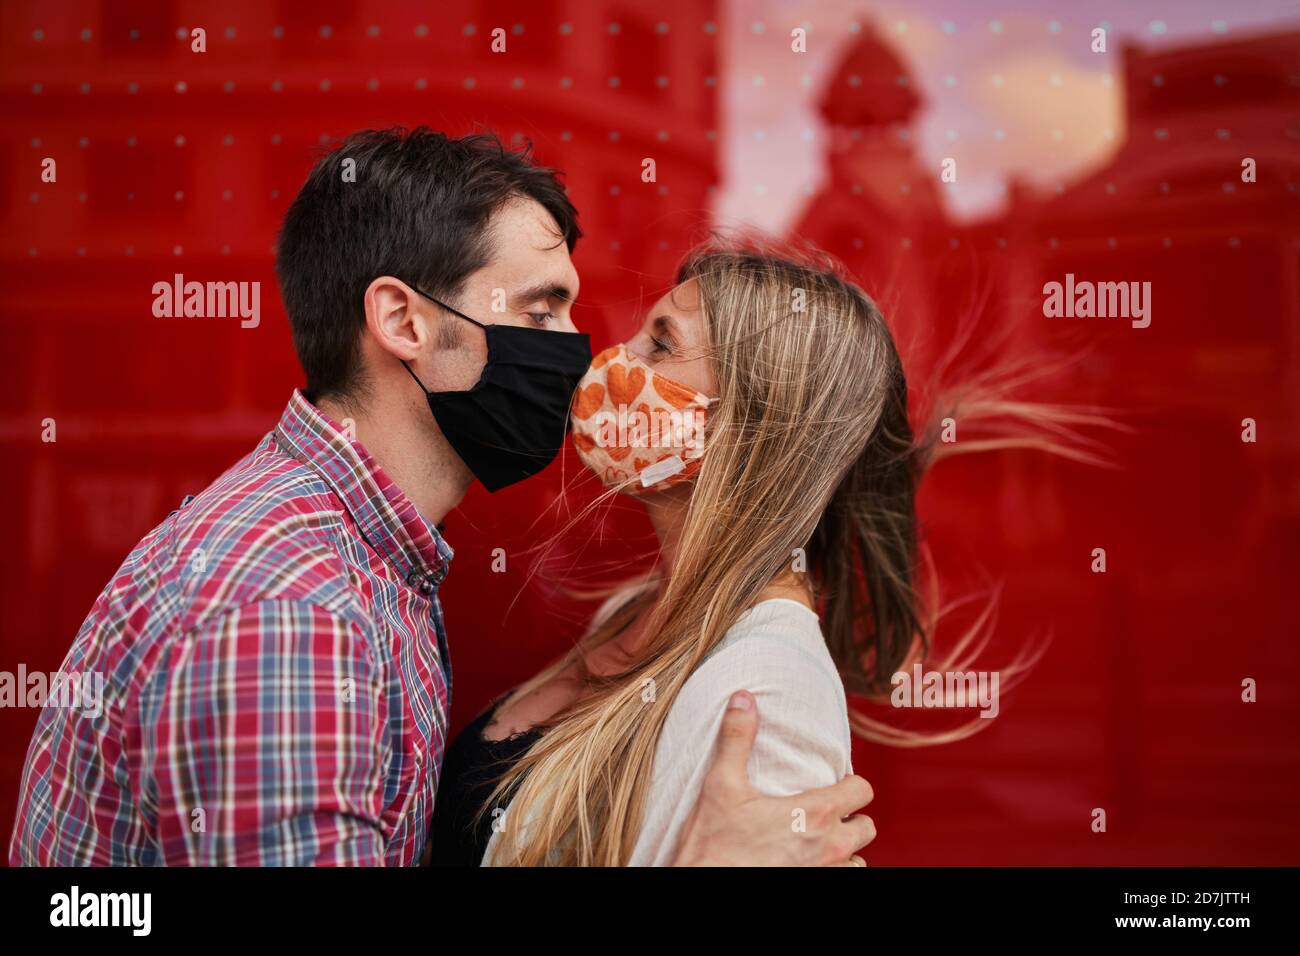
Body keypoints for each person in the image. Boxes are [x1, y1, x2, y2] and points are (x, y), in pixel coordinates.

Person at [9, 128, 873, 867]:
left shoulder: (373, 560)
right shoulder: (289, 609)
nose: (582, 356)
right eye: (541, 312)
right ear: (405, 323)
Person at [430, 239, 936, 866]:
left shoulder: (768, 693)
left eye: (660, 345)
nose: (610, 361)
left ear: (751, 428)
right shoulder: (641, 609)